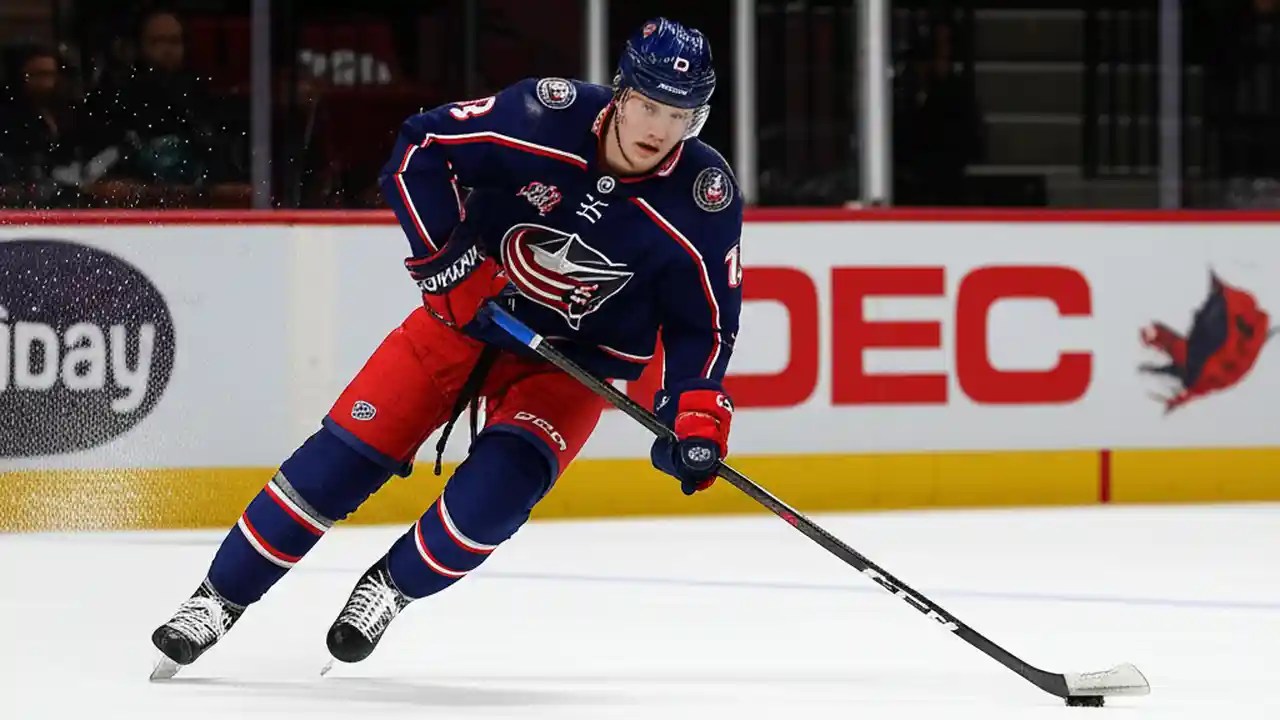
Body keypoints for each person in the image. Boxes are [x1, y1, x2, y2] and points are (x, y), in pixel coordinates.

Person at [150, 17, 743, 675]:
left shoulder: (704, 197)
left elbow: (704, 323)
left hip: (572, 368)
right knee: (336, 465)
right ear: (621, 93)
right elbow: (418, 149)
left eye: (681, 113)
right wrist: (447, 265)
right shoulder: (541, 115)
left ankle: (390, 587)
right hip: (461, 324)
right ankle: (216, 599)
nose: (662, 129)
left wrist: (696, 408)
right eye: (652, 105)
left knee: (491, 504)